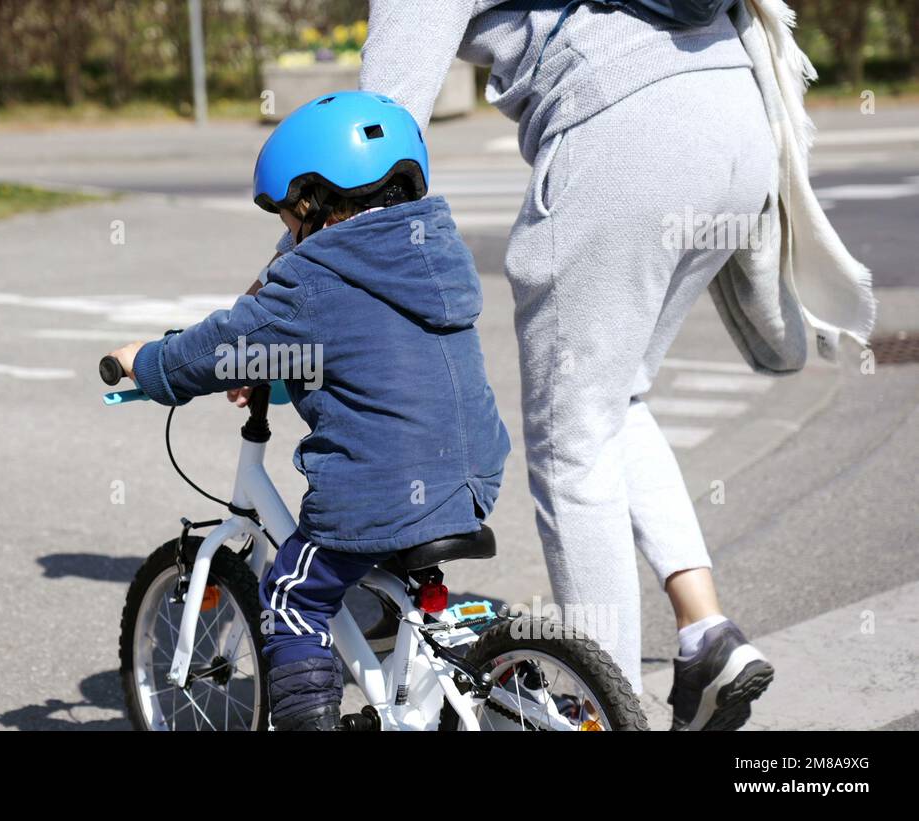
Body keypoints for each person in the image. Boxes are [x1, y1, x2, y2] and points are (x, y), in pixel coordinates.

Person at [355, 0, 780, 730]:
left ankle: (597, 709)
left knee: (570, 444)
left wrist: (285, 283)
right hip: (733, 113)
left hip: (627, 133)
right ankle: (704, 629)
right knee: (612, 400)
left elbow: (369, 139)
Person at [107, 91, 510, 730]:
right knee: (382, 577)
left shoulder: (318, 277)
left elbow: (221, 345)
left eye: (289, 220)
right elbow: (372, 348)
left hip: (378, 486)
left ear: (313, 203)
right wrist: (277, 361)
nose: (286, 237)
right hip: (472, 475)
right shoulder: (432, 252)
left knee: (291, 598)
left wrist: (149, 363)